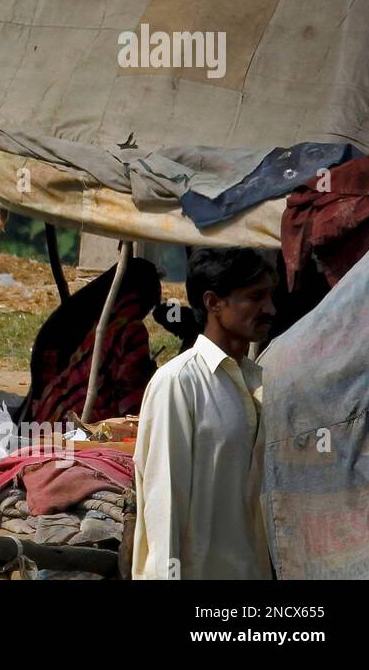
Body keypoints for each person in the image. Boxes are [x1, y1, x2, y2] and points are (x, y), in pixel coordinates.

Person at [132, 246, 277, 579]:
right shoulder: (178, 384)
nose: (269, 309)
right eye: (255, 297)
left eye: (270, 297)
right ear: (213, 303)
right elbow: (164, 503)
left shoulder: (261, 382)